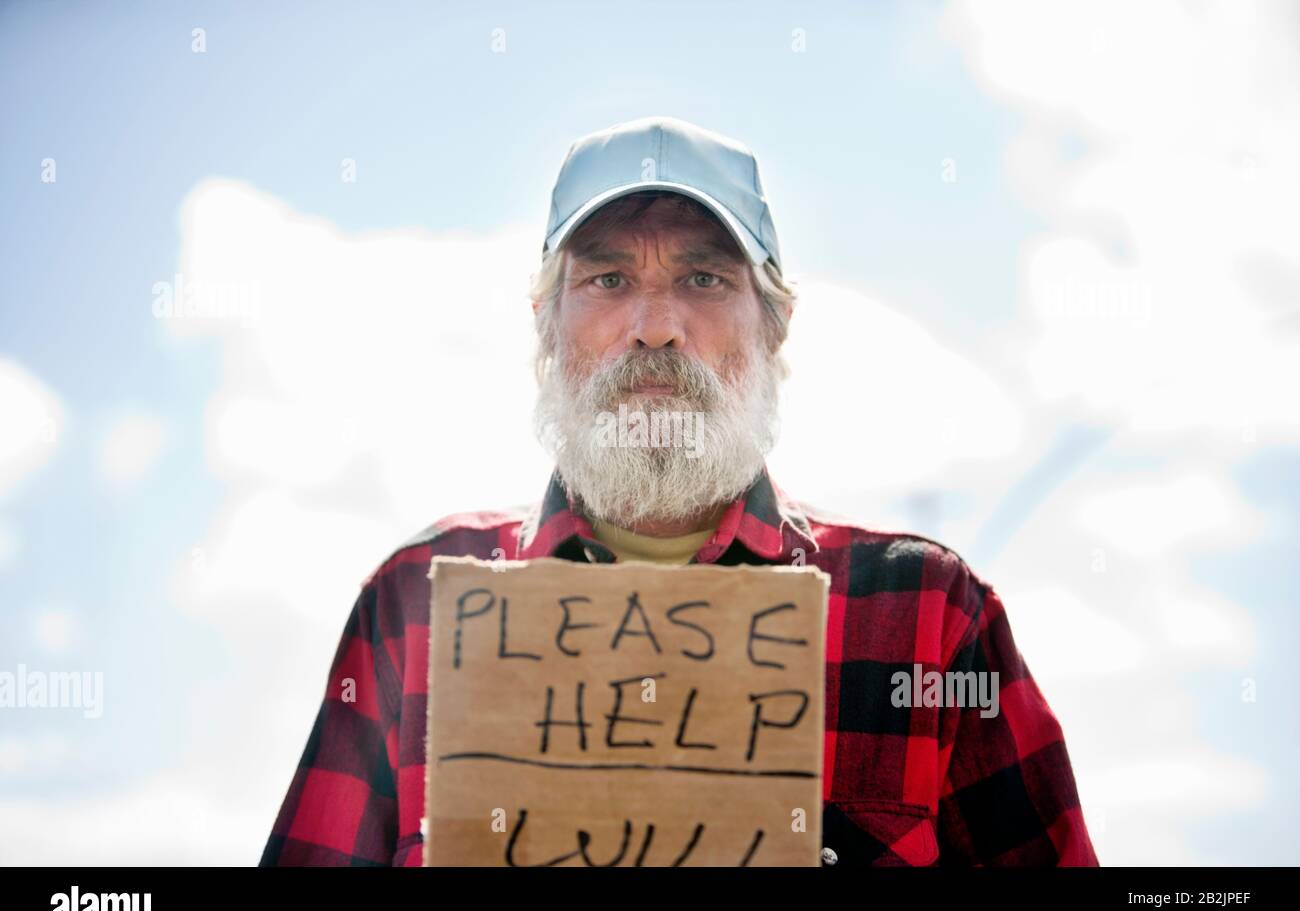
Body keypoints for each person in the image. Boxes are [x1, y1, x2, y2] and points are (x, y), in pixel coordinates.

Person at [259, 116, 1099, 866]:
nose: (654, 326)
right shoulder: (415, 605)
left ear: (773, 327)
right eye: (608, 280)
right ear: (546, 326)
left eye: (703, 280)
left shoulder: (927, 614)